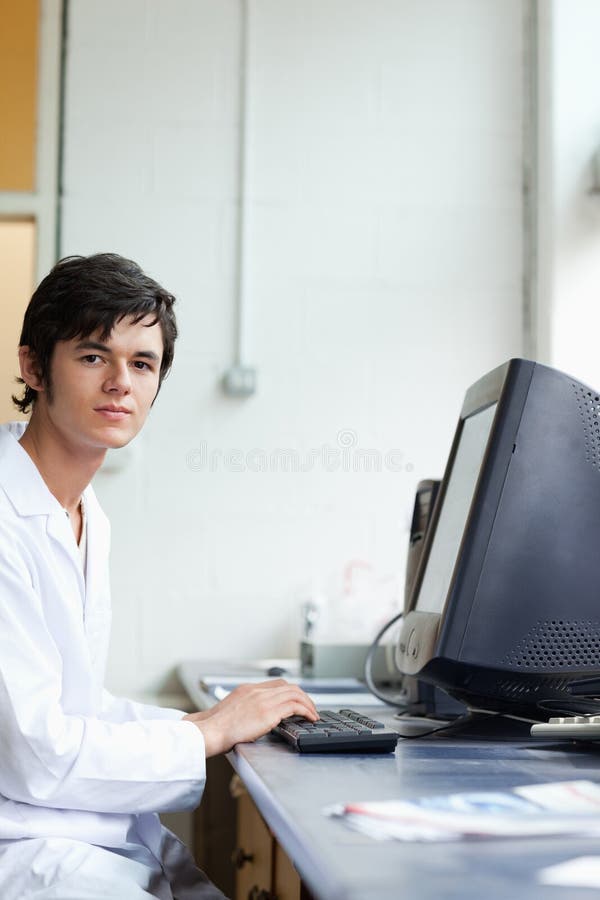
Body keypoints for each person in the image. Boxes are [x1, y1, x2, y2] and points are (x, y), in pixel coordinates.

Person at [0, 253, 318, 899]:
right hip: (27, 846)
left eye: (142, 364)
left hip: (76, 830)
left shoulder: (86, 512)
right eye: (93, 356)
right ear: (34, 366)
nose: (121, 382)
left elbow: (77, 707)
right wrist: (210, 730)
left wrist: (216, 722)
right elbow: (36, 754)